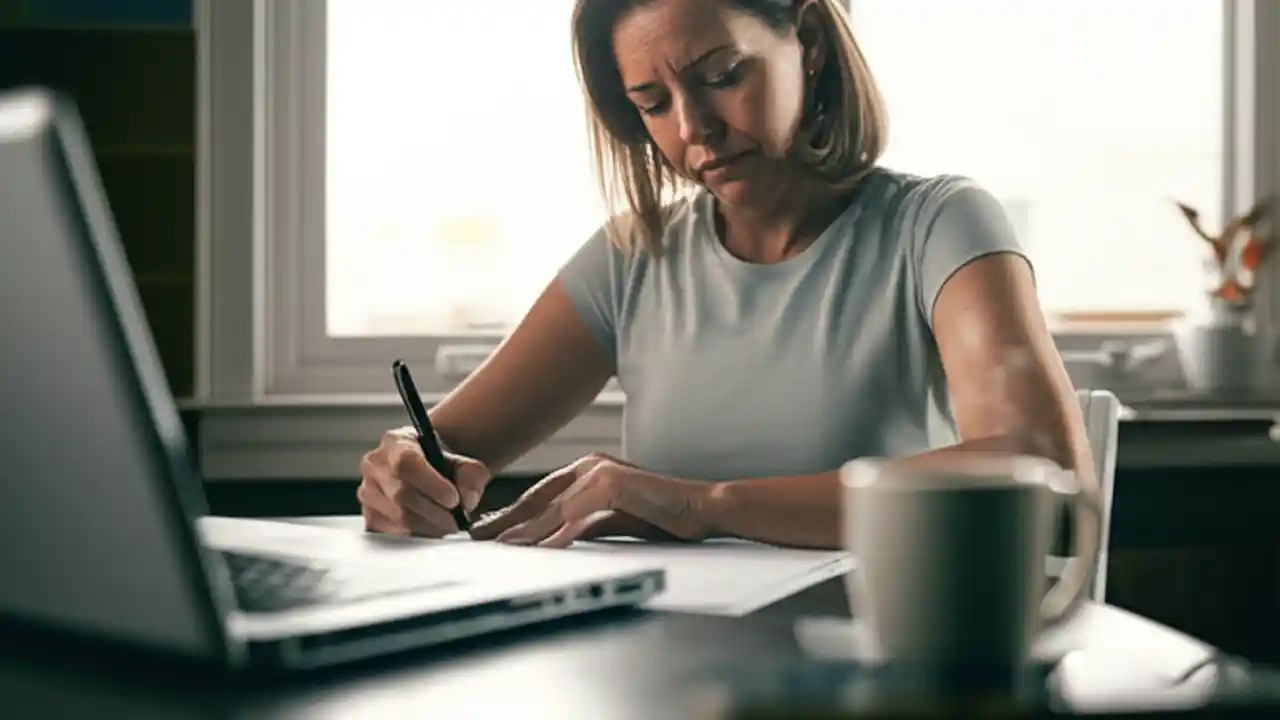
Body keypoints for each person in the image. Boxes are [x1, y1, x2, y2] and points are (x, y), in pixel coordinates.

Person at [357, 0, 1097, 550]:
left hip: (881, 665)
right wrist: (402, 476)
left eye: (721, 76)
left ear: (807, 41)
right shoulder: (631, 258)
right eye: (654, 103)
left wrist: (706, 504)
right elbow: (438, 447)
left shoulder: (937, 224)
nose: (693, 128)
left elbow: (1044, 469)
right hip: (667, 670)